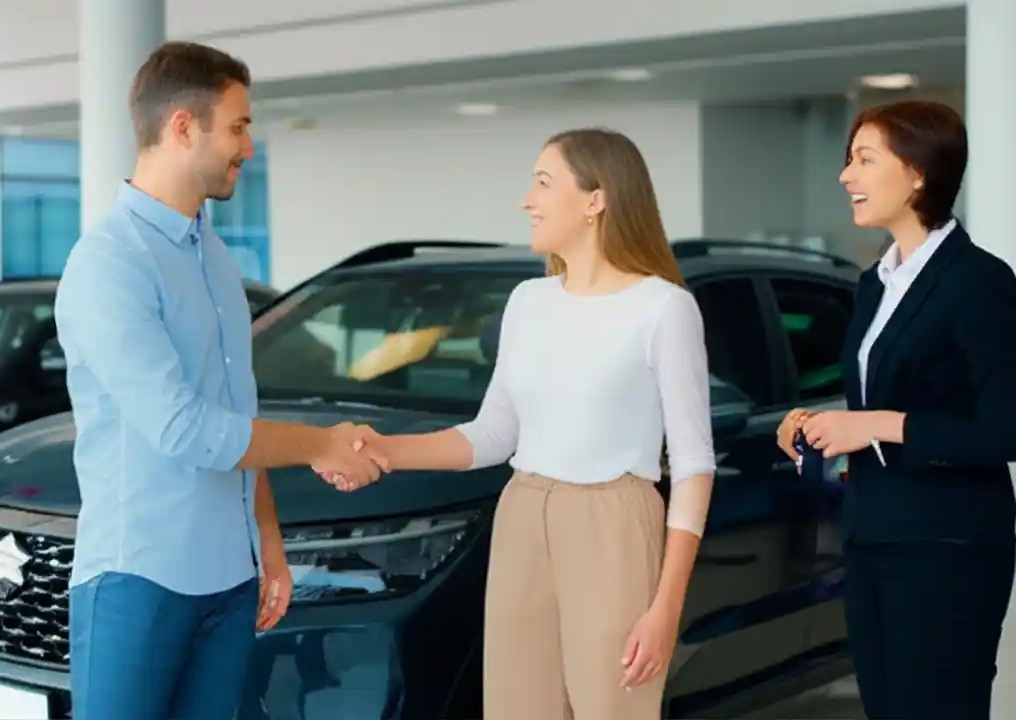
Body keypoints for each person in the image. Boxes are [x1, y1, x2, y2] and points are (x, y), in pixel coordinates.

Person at [331, 128, 717, 719]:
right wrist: (385, 450)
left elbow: (693, 464)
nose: (526, 200)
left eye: (542, 183)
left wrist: (666, 608)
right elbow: (493, 435)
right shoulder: (528, 301)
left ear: (596, 199)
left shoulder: (663, 308)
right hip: (522, 517)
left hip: (613, 520)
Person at [53, 41, 386, 720]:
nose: (249, 148)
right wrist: (320, 445)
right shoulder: (108, 264)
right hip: (138, 579)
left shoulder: (216, 258)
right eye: (237, 126)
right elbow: (182, 427)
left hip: (229, 579)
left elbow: (236, 410)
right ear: (183, 127)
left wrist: (267, 543)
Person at [775, 100, 1016, 720]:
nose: (845, 176)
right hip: (873, 535)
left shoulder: (979, 282)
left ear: (917, 174)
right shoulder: (874, 284)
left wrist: (877, 425)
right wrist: (817, 422)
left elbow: (1002, 428)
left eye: (863, 159)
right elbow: (884, 398)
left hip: (946, 547)